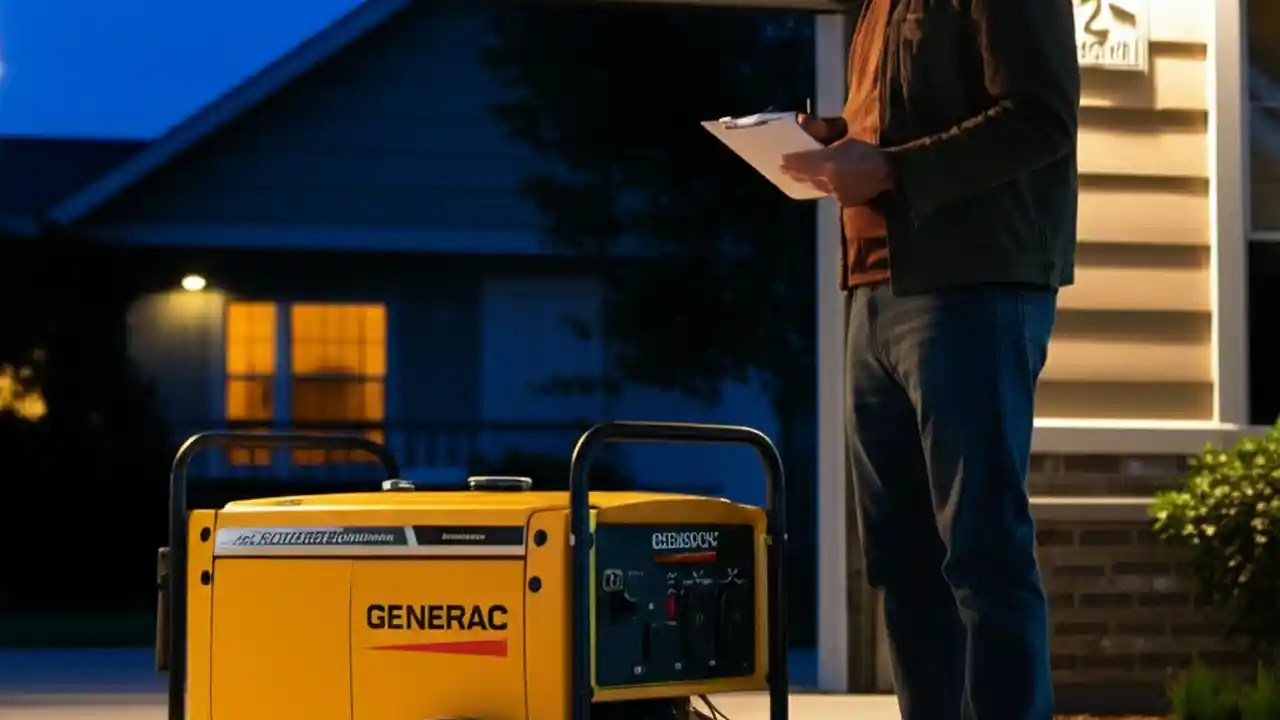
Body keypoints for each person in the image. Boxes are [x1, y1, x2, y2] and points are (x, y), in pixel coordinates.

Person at [779, 0, 1080, 718]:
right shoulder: (879, 8)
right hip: (874, 288)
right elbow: (901, 125)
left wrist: (887, 166)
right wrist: (837, 142)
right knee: (900, 560)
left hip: (972, 287)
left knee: (981, 550)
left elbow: (1042, 116)